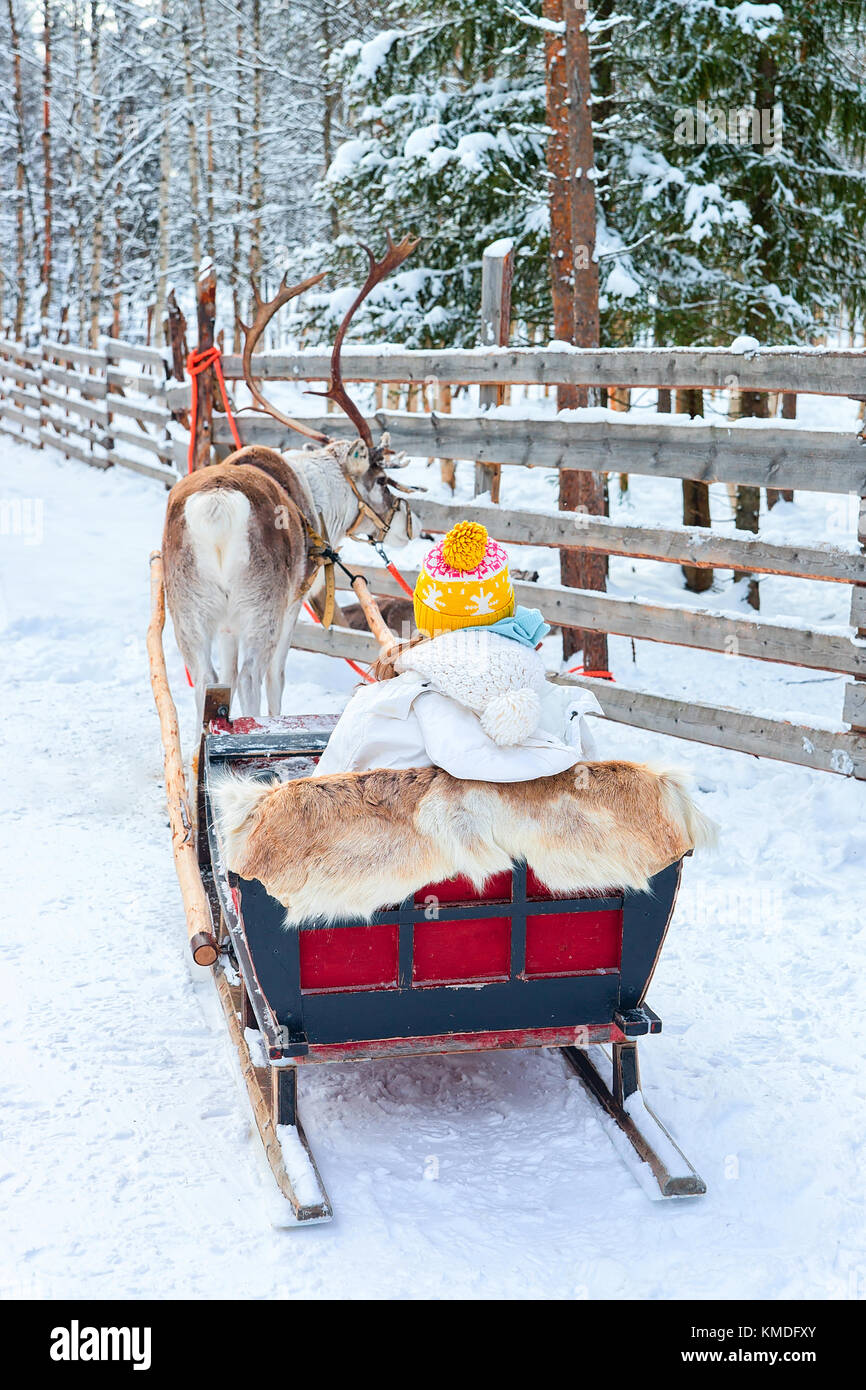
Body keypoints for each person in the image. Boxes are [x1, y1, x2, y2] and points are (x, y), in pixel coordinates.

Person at [316, 520, 603, 782]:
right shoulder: (564, 715)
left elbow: (316, 804)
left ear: (423, 614)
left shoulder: (376, 712)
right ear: (507, 611)